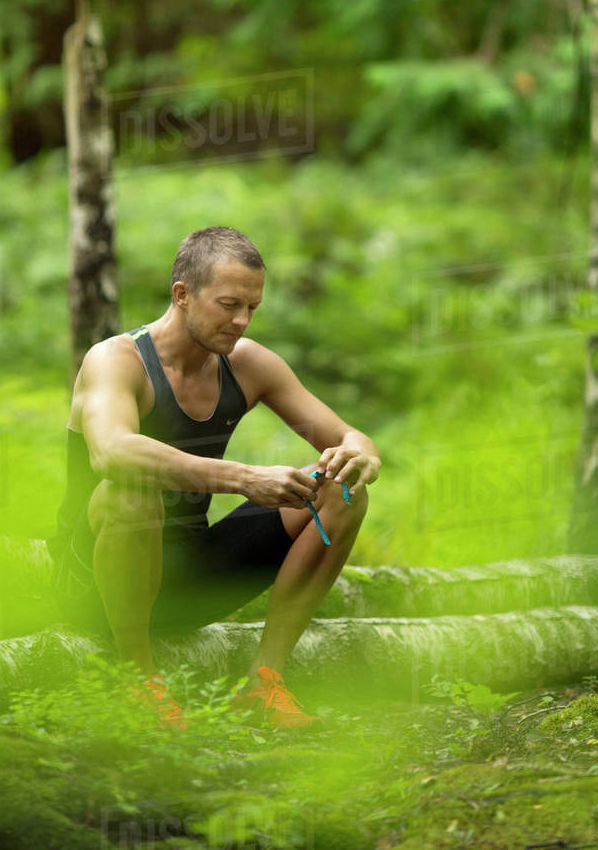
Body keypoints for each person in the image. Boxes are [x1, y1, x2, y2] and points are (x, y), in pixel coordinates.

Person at [47, 226, 380, 729]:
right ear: (182, 294)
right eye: (228, 304)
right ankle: (139, 684)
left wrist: (362, 455)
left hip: (189, 582)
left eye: (252, 307)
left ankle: (264, 682)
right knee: (132, 490)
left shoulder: (247, 364)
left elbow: (348, 435)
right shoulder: (116, 361)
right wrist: (242, 478)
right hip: (91, 588)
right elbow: (112, 453)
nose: (241, 320)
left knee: (344, 489)